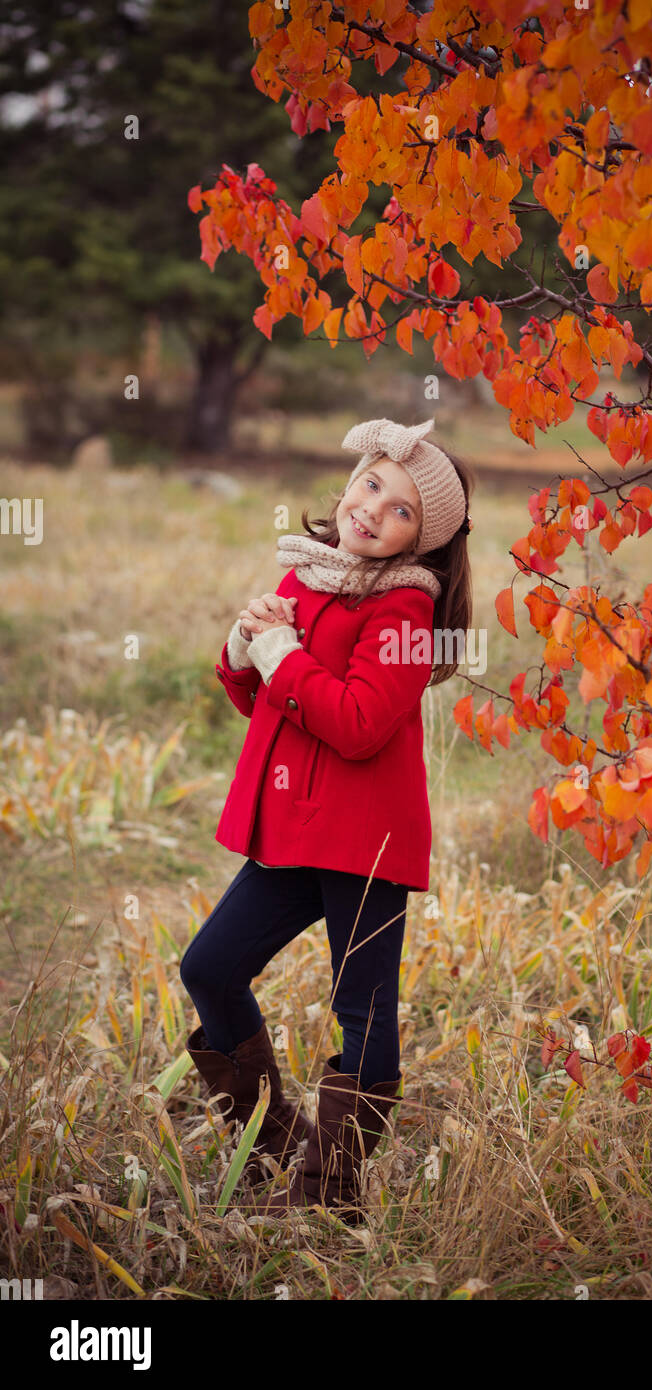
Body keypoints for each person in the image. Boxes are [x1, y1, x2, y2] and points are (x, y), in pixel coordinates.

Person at [180, 417, 474, 1222]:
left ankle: (329, 1193)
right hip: (297, 833)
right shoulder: (314, 579)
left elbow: (355, 723)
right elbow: (266, 702)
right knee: (208, 967)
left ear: (423, 542)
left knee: (363, 1009)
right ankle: (274, 1143)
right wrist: (248, 649)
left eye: (403, 509)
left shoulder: (405, 612)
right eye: (372, 483)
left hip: (364, 843)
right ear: (349, 485)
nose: (375, 508)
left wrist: (282, 655)